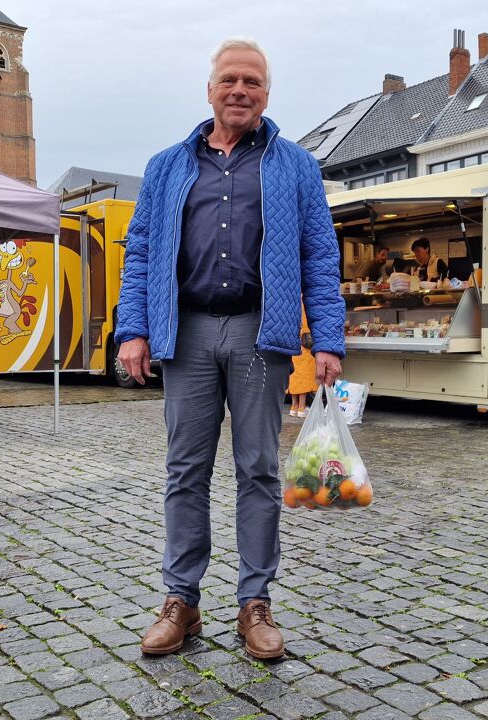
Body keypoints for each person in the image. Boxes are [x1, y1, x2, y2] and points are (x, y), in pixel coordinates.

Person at [115, 37, 344, 660]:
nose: (240, 91)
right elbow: (140, 252)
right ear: (210, 88)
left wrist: (328, 337)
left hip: (257, 331)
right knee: (184, 470)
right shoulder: (167, 165)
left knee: (260, 471)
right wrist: (131, 329)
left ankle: (254, 603)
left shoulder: (295, 164)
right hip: (185, 332)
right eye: (230, 80)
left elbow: (320, 256)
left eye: (253, 82)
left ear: (267, 94)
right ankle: (181, 601)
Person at [288, 312, 317, 417]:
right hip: (305, 343)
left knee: (294, 376)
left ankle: (294, 406)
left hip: (293, 341)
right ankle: (302, 407)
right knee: (304, 376)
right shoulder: (304, 298)